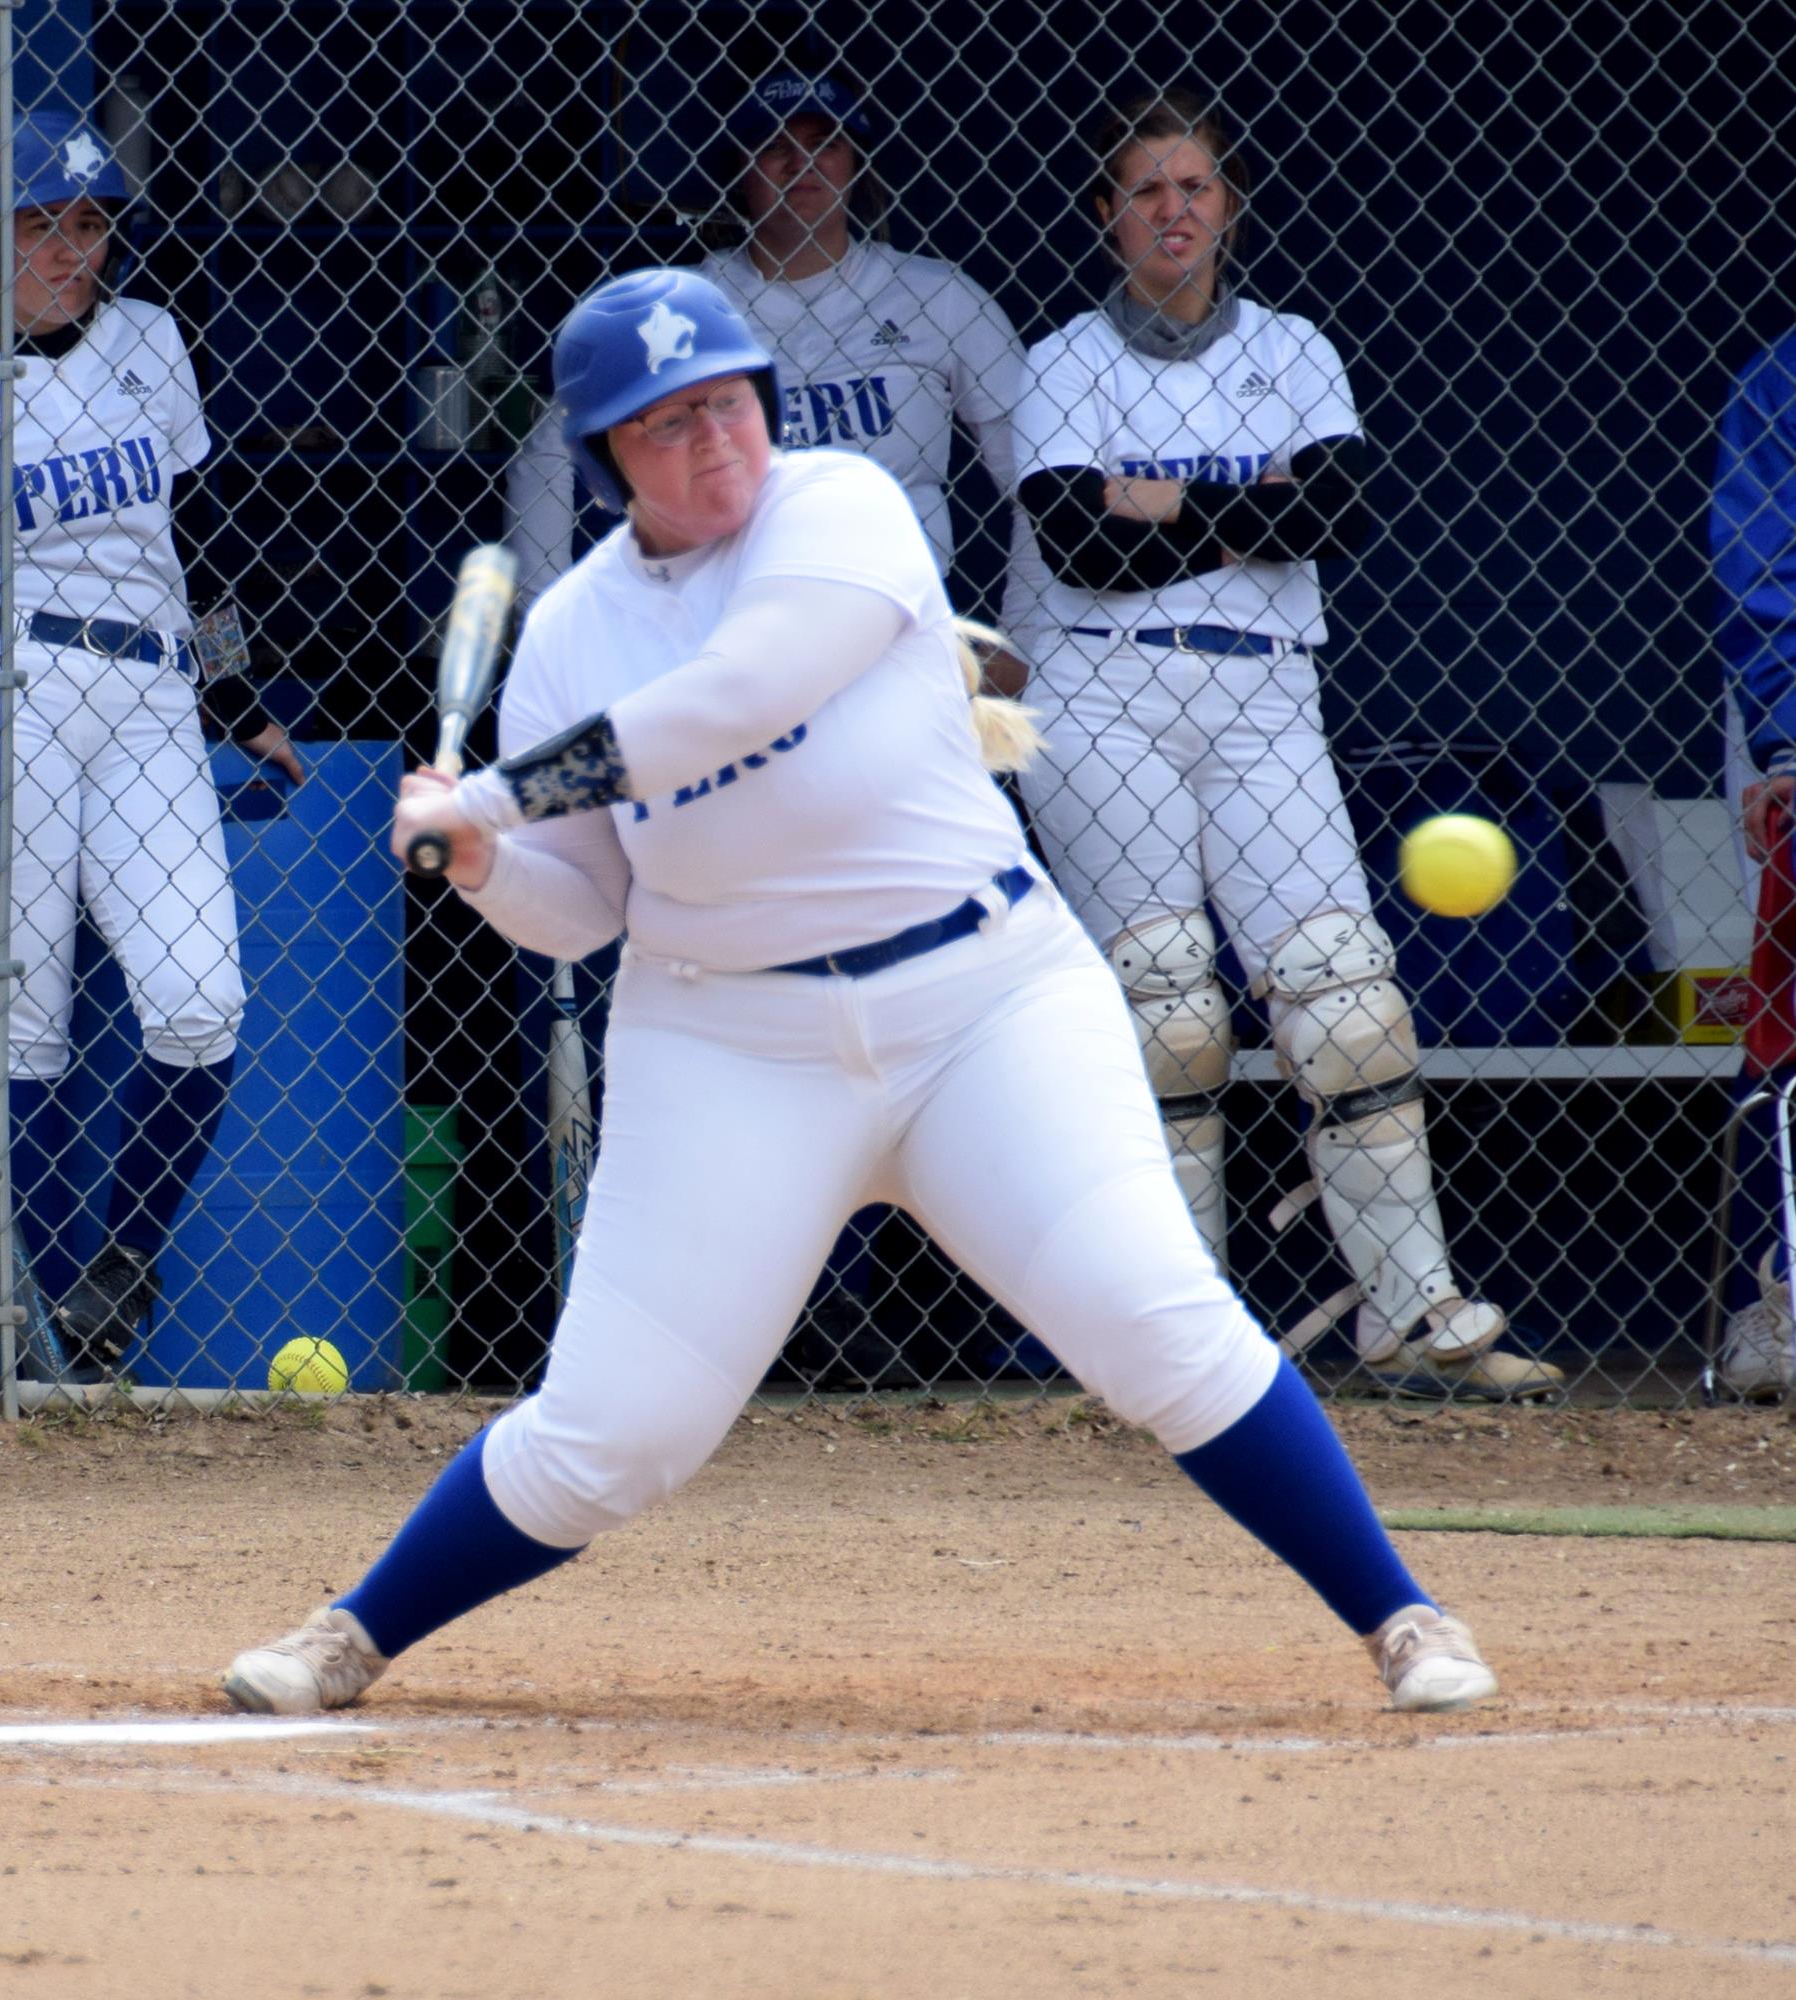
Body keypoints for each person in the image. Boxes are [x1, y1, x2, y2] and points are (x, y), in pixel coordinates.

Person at [222, 265, 1500, 1718]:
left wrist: (500, 792)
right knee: (613, 1432)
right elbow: (581, 914)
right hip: (727, 1040)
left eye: (724, 404)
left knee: (1154, 1321)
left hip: (983, 1006)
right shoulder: (575, 632)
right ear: (605, 460)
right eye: (664, 426)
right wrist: (476, 861)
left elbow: (739, 694)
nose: (710, 443)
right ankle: (355, 1631)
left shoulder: (840, 509)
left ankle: (1404, 1613)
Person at [1010, 86, 1561, 1403]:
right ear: (1106, 217)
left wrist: (1167, 503)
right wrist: (1243, 504)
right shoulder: (1061, 363)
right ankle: (1174, 1335)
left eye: (1193, 186)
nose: (1172, 211)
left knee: (1344, 991)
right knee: (1169, 1012)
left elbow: (1337, 510)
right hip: (1099, 695)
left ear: (1229, 206)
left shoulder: (1297, 348)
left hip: (1264, 695)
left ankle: (1407, 1306)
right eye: (1144, 188)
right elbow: (1077, 543)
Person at [506, 69, 1035, 1386]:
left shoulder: (934, 300)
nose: (801, 171)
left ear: (857, 162)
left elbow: (1044, 467)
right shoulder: (688, 314)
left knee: (947, 970)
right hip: (728, 701)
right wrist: (557, 619)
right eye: (772, 151)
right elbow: (541, 458)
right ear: (736, 170)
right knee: (787, 977)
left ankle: (958, 1300)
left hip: (910, 685)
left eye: (824, 147)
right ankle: (804, 1306)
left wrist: (1014, 648)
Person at [0, 112, 302, 1382]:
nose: (70, 248)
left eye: (89, 222)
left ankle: (117, 1270)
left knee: (198, 998)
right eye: (40, 223)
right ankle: (13, 1327)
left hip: (146, 691)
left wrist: (237, 699)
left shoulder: (151, 340)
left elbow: (202, 532)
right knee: (23, 1028)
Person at [1712, 324, 1796, 1399]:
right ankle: (1781, 1287)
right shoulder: (1784, 374)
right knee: (1790, 1005)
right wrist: (1788, 734)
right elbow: (1760, 565)